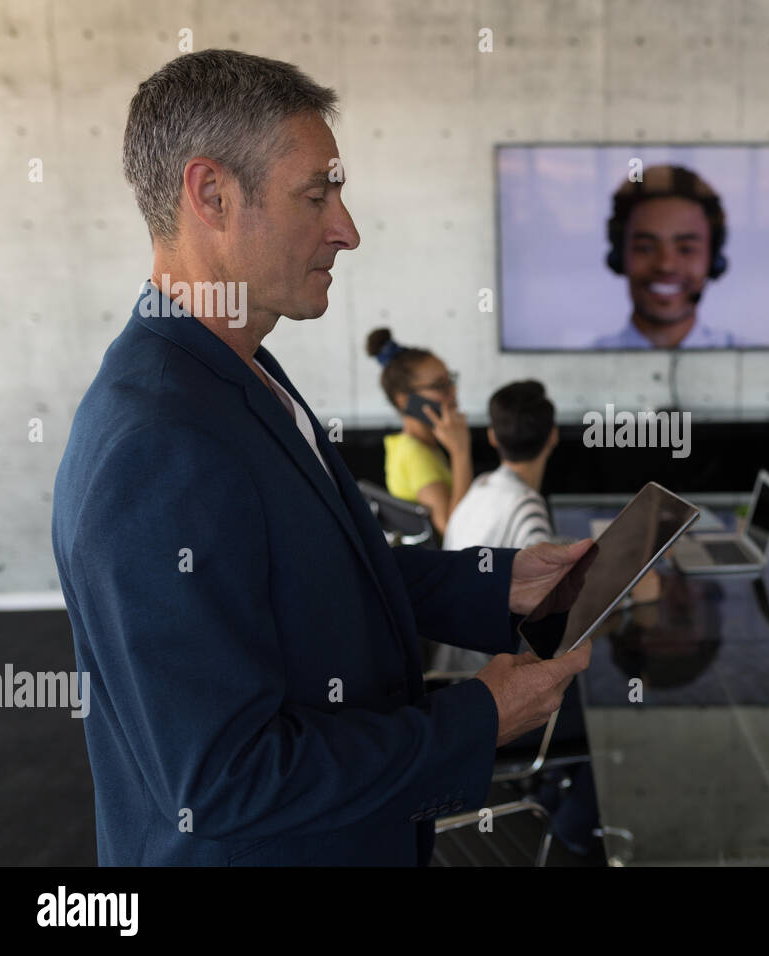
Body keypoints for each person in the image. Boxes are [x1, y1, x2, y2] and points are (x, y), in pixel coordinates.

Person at [50, 50, 593, 866]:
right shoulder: (158, 443)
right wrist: (479, 718)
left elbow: (309, 573)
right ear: (211, 195)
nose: (348, 229)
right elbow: (227, 780)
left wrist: (497, 584)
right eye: (317, 195)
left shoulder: (242, 365)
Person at [432, 379, 559, 674]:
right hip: (489, 674)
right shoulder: (528, 509)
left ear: (492, 437)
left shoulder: (480, 486)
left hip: (452, 663)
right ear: (552, 437)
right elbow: (548, 606)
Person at [592, 164, 742, 349]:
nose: (665, 265)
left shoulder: (752, 364)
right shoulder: (580, 366)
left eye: (686, 249)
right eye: (645, 248)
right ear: (620, 257)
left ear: (713, 260)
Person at [365, 328, 472, 537]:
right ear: (405, 400)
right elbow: (452, 528)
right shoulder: (415, 455)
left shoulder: (410, 444)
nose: (453, 392)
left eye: (450, 380)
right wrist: (461, 453)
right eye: (440, 386)